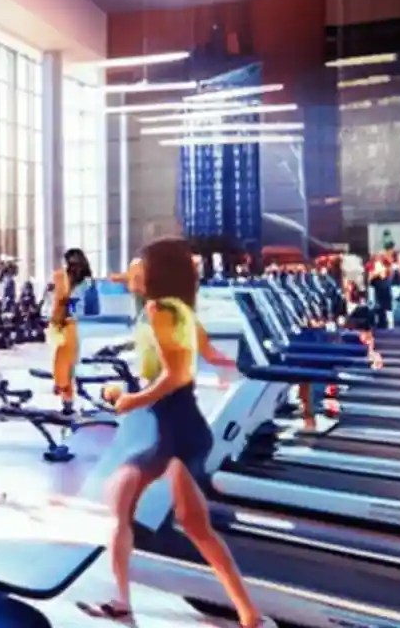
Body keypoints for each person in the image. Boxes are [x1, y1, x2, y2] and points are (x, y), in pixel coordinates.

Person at [78, 237, 272, 627]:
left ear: (155, 276)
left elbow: (178, 374)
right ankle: (246, 613)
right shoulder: (180, 309)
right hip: (177, 422)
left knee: (140, 508)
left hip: (171, 423)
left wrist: (131, 399)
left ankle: (125, 602)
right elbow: (211, 355)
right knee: (161, 513)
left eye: (139, 267)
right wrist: (231, 370)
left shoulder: (158, 310)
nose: (131, 271)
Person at [45, 248, 92, 414]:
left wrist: (54, 322)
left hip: (65, 324)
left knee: (63, 364)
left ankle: (67, 399)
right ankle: (69, 398)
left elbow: (60, 301)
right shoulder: (87, 282)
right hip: (80, 325)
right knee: (70, 364)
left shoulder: (62, 278)